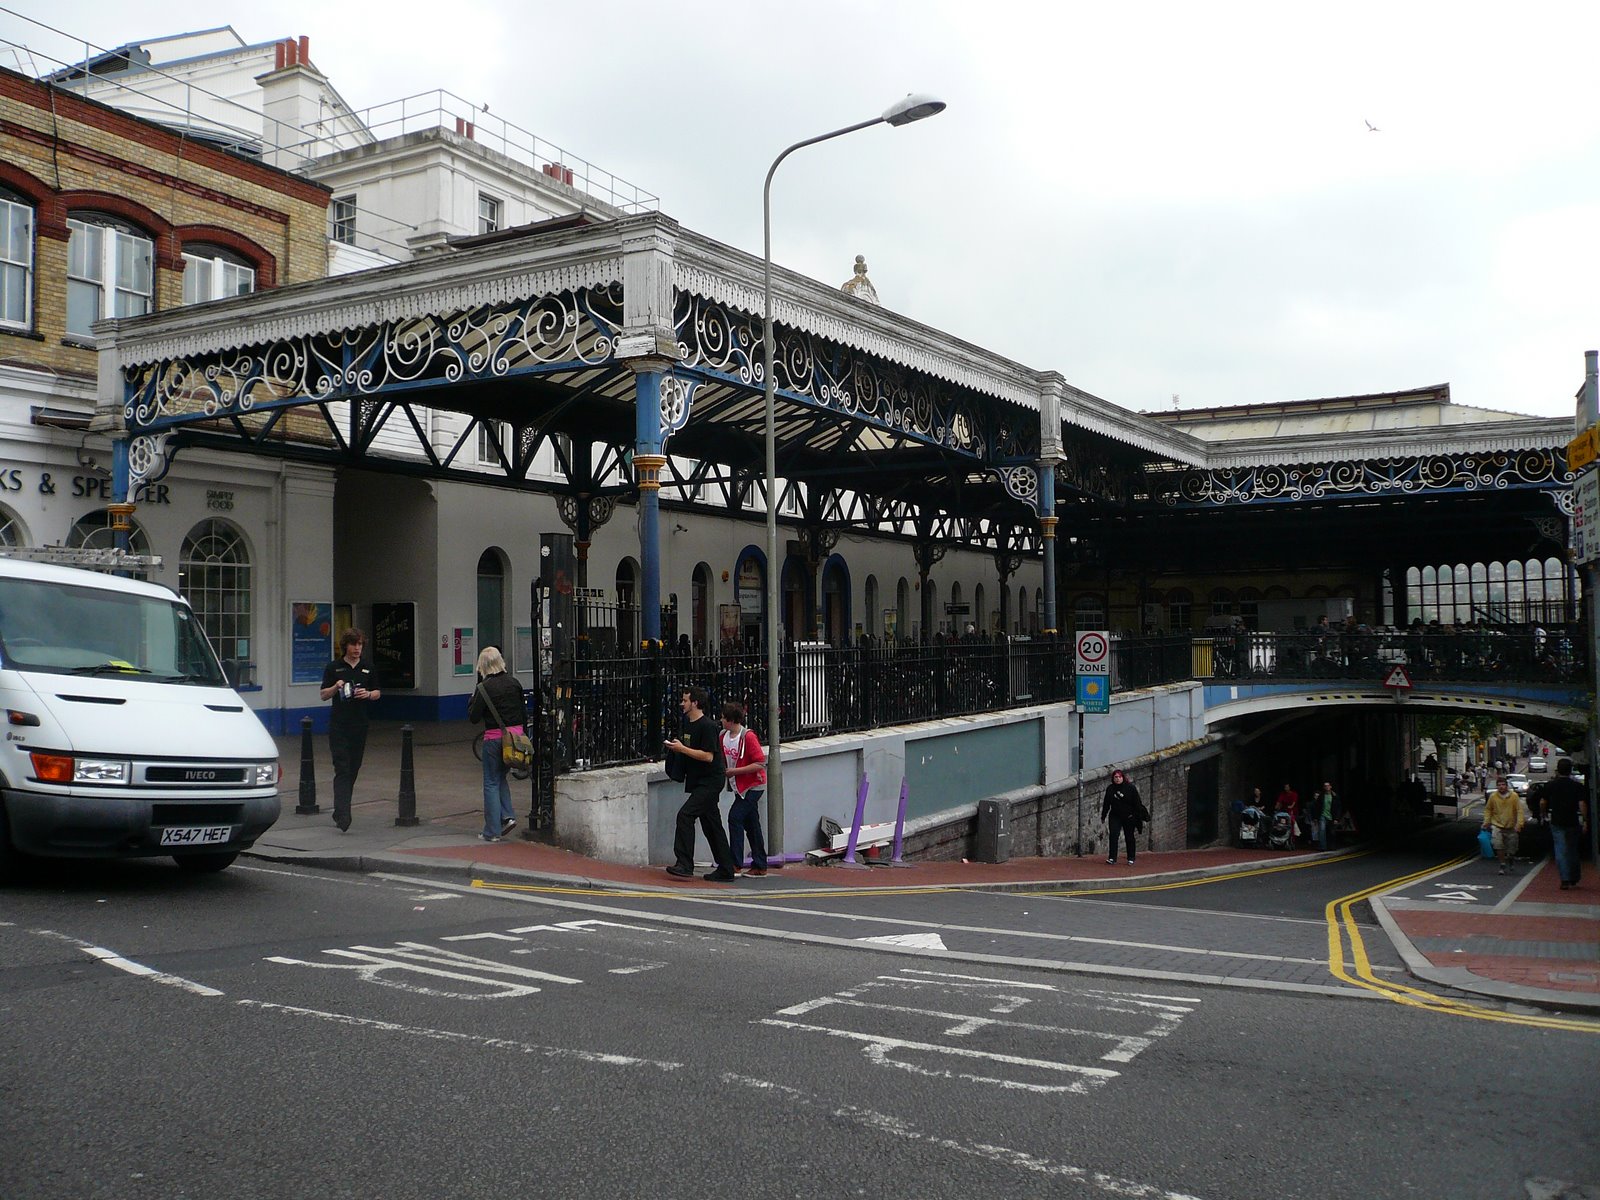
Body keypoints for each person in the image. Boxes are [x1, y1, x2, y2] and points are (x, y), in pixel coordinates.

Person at [665, 686, 738, 882]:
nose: (682, 703)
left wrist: (682, 749)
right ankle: (726, 868)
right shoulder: (689, 724)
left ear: (695, 703)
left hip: (710, 781)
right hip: (699, 781)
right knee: (711, 825)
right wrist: (676, 749)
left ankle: (685, 865)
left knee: (685, 815)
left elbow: (707, 756)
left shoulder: (708, 726)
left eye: (685, 700)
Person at [319, 628, 381, 832]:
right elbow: (323, 695)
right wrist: (336, 687)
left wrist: (369, 694)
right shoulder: (334, 667)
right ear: (345, 645)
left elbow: (378, 692)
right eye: (354, 644)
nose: (357, 648)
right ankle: (343, 814)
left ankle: (340, 809)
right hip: (339, 726)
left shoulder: (368, 667)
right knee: (342, 767)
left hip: (360, 725)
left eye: (360, 645)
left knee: (353, 768)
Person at [466, 645, 527, 843]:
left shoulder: (483, 688)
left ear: (482, 666)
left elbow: (473, 718)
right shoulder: (514, 683)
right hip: (515, 738)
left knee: (491, 782)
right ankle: (507, 817)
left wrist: (472, 701)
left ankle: (492, 831)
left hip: (494, 739)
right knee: (501, 778)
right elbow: (523, 714)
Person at [720, 702, 769, 877]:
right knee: (751, 824)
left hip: (753, 786)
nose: (721, 720)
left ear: (731, 720)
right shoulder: (722, 736)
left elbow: (760, 763)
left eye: (724, 718)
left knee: (735, 817)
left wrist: (734, 771)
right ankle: (760, 864)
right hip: (739, 786)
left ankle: (735, 863)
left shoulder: (747, 737)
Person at [1540, 758, 1588, 890]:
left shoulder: (1551, 785)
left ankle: (1565, 878)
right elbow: (1582, 804)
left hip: (1557, 821)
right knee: (1572, 849)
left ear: (1557, 769)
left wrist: (1543, 814)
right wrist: (1585, 820)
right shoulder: (1577, 786)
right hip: (1572, 821)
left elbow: (1543, 802)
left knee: (1560, 849)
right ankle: (1574, 876)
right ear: (1570, 770)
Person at [1481, 775, 1524, 876]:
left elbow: (1519, 810)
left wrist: (1519, 824)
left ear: (1507, 786)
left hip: (1511, 826)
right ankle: (1502, 864)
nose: (1501, 787)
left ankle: (1510, 859)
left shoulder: (1514, 796)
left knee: (1511, 850)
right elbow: (1488, 810)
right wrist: (1487, 821)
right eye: (1499, 785)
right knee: (1498, 845)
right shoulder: (1493, 797)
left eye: (1503, 785)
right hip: (1497, 825)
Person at [1100, 768, 1143, 866]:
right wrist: (1103, 815)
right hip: (1115, 816)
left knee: (1129, 837)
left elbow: (1137, 803)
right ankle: (1112, 858)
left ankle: (1131, 857)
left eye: (1119, 777)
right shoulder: (1110, 789)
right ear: (1113, 778)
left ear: (1123, 777)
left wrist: (1136, 815)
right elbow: (1106, 803)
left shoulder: (1130, 788)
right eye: (1116, 777)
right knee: (1113, 836)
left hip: (1128, 816)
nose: (1118, 779)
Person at [1313, 781, 1341, 851]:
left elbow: (1338, 807)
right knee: (1322, 831)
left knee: (1332, 832)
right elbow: (1317, 807)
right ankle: (1323, 847)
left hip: (1332, 816)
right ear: (1324, 787)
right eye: (1325, 786)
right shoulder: (1321, 796)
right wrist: (1316, 817)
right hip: (1323, 815)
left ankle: (1332, 846)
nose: (1326, 787)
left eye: (1328, 785)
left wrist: (1336, 818)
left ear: (1330, 787)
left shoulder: (1335, 796)